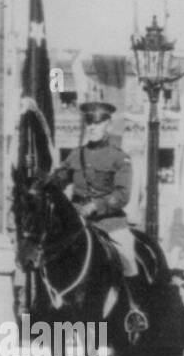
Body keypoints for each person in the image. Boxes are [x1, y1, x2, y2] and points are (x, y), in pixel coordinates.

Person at [48, 101, 144, 326]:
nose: (92, 127)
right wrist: (46, 181)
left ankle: (134, 309)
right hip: (77, 223)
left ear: (108, 126)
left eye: (98, 123)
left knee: (128, 256)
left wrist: (96, 206)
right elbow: (59, 181)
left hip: (109, 223)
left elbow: (121, 195)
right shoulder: (75, 155)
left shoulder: (119, 158)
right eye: (89, 123)